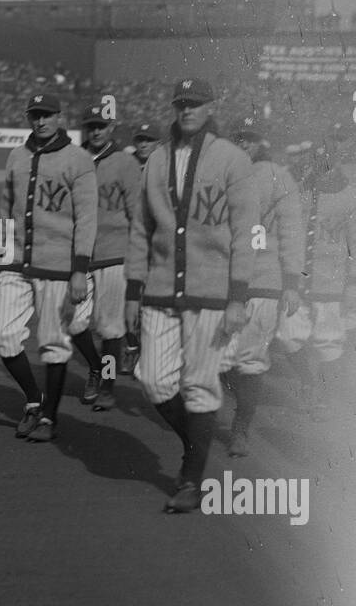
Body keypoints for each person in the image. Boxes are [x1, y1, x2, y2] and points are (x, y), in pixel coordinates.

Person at [125, 77, 257, 512]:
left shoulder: (232, 159)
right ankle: (195, 444)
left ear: (210, 107)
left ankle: (191, 479)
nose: (187, 111)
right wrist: (132, 290)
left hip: (212, 292)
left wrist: (239, 296)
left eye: (196, 104)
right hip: (161, 288)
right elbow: (142, 229)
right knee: (153, 379)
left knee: (199, 385)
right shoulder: (157, 159)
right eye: (181, 104)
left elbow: (244, 233)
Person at [0, 90, 97, 443]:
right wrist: (1, 259)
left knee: (54, 341)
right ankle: (34, 400)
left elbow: (87, 218)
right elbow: (5, 210)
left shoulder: (78, 160)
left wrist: (80, 269)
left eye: (47, 114)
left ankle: (49, 417)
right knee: (3, 334)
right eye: (35, 114)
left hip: (59, 267)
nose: (41, 120)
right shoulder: (16, 157)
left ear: (59, 117)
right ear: (28, 117)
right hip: (16, 262)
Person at [219, 116, 303, 454]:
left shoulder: (278, 176)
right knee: (216, 359)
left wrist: (292, 282)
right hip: (222, 280)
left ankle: (240, 429)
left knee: (250, 359)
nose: (243, 144)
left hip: (263, 280)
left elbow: (291, 232)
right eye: (238, 137)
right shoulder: (221, 173)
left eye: (250, 139)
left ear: (261, 142)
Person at [274, 137, 356, 420]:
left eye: (325, 160)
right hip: (298, 281)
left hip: (329, 282)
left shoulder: (349, 194)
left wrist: (352, 284)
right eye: (315, 160)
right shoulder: (299, 191)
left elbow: (354, 244)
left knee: (328, 342)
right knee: (287, 337)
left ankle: (323, 395)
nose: (320, 166)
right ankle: (308, 380)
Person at [68, 103, 141, 409]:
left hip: (114, 255)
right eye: (91, 125)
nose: (95, 131)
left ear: (113, 127)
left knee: (111, 328)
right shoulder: (73, 159)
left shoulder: (125, 164)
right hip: (79, 256)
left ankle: (108, 387)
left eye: (101, 125)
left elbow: (137, 213)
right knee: (71, 323)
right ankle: (96, 367)